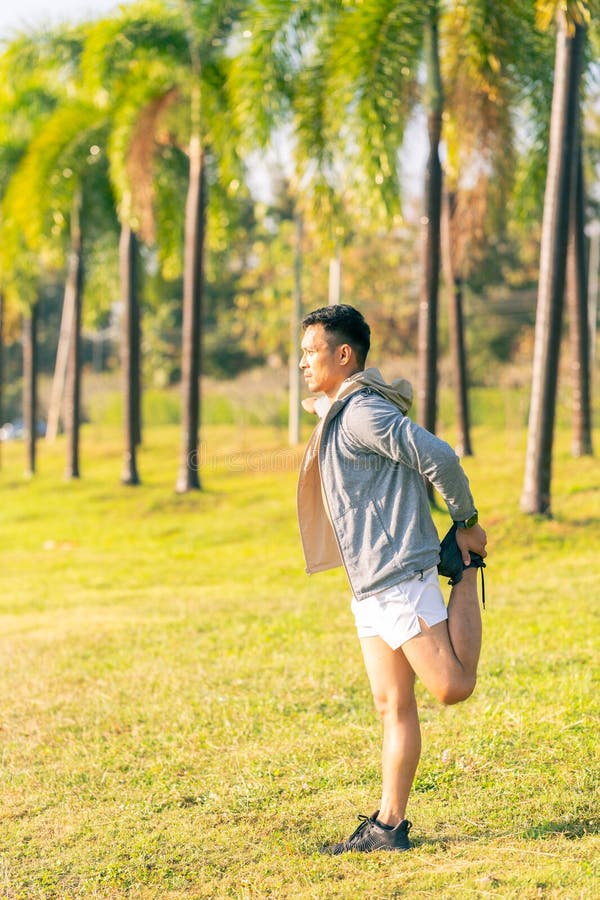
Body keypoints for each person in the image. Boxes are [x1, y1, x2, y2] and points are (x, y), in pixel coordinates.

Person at [296, 304, 487, 855]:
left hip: (399, 574)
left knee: (452, 686)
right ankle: (388, 825)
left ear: (343, 354)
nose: (304, 361)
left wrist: (465, 522)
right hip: (370, 587)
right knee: (391, 705)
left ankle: (468, 568)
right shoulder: (339, 412)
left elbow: (439, 456)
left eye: (312, 351)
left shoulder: (361, 413)